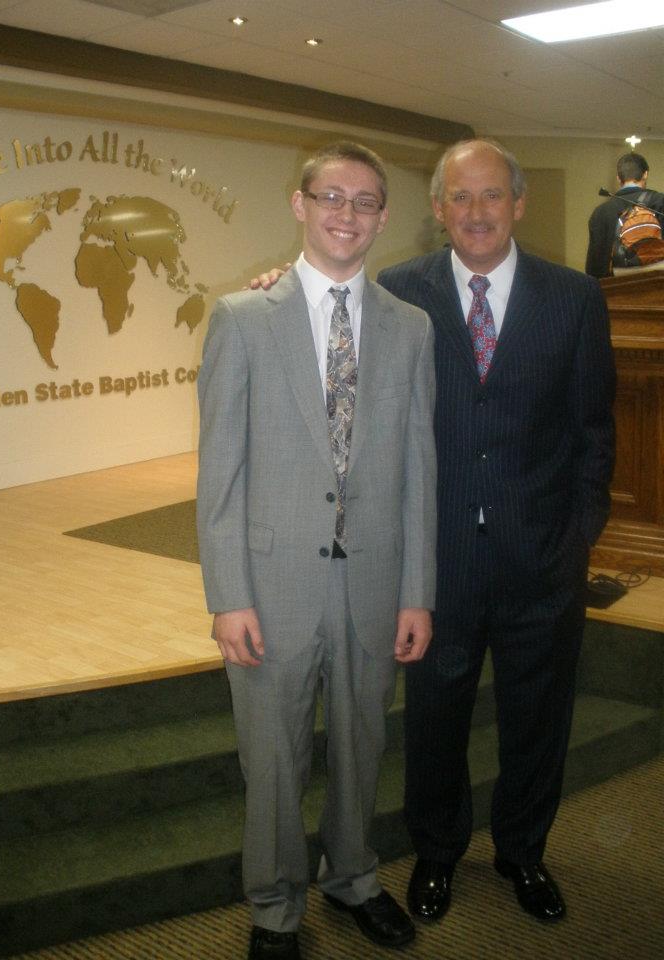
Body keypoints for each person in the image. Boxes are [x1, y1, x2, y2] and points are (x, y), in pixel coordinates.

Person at [253, 138, 616, 928]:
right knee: (435, 722)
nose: (476, 212)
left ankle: (523, 851)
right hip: (434, 562)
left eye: (492, 196)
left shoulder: (574, 297)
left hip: (541, 559)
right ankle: (439, 853)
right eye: (460, 197)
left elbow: (595, 428)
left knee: (537, 719)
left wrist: (577, 535)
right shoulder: (397, 291)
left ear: (517, 204)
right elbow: (325, 328)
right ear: (438, 209)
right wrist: (276, 291)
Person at [197, 140, 437, 960]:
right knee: (272, 759)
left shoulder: (411, 327)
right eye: (331, 196)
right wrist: (227, 594)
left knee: (365, 744)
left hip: (374, 583)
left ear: (382, 217)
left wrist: (417, 591)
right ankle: (273, 908)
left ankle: (354, 878)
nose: (347, 212)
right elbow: (219, 473)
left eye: (365, 200)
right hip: (270, 589)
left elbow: (419, 472)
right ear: (300, 205)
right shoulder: (241, 318)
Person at [585, 151, 664, 278]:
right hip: (657, 286)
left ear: (618, 178)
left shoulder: (600, 213)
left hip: (617, 290)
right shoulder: (660, 202)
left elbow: (594, 267)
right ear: (645, 174)